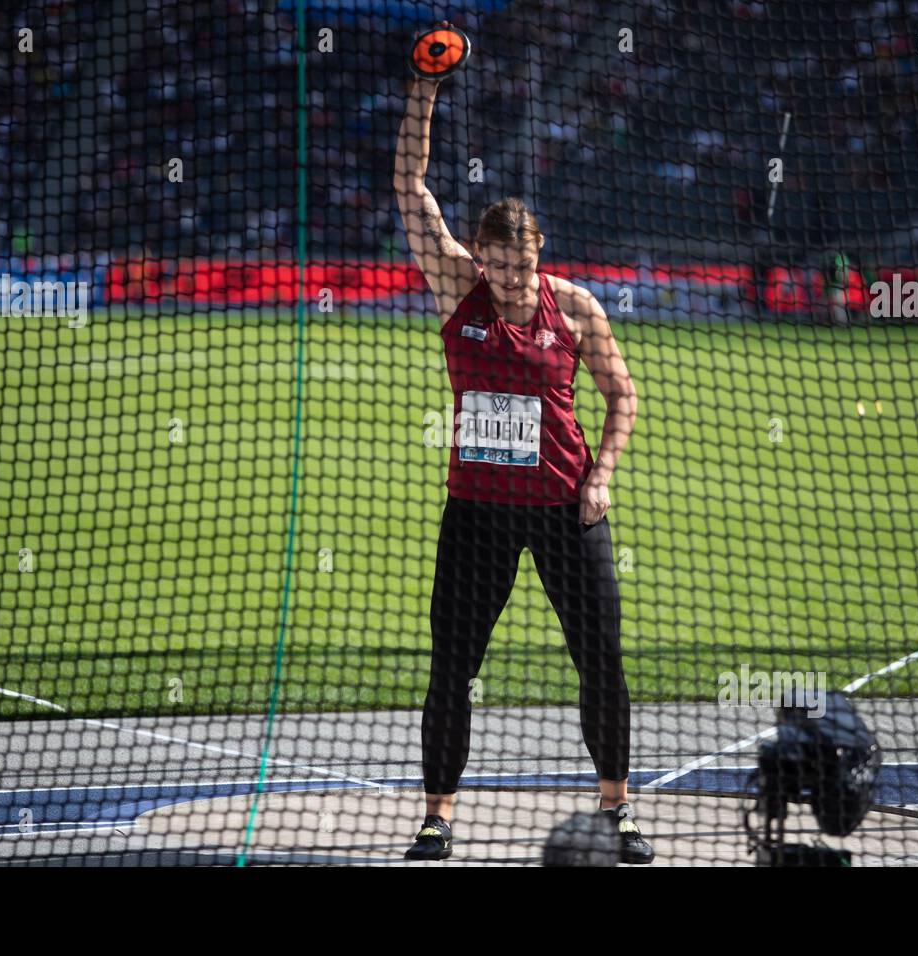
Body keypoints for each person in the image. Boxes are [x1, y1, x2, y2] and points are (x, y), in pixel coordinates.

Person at [393, 68, 652, 864]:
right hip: (477, 511)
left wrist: (601, 475)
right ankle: (437, 816)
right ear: (480, 256)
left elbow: (624, 396)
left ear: (540, 255)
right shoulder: (457, 292)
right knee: (452, 667)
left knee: (601, 658)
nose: (510, 279)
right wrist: (424, 90)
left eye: (522, 266)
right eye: (498, 265)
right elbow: (409, 186)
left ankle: (616, 810)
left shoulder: (574, 308)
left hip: (566, 507)